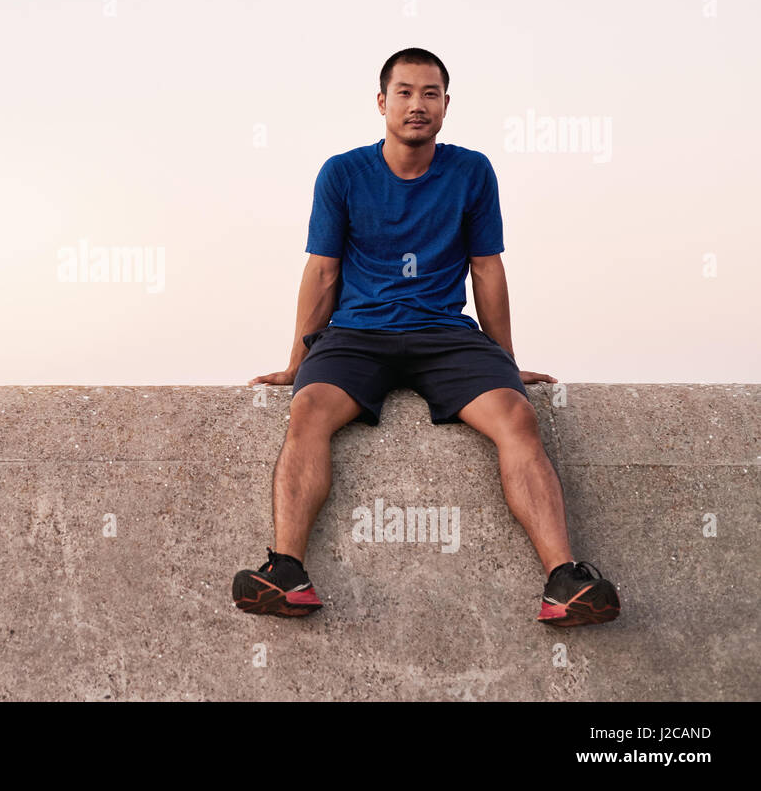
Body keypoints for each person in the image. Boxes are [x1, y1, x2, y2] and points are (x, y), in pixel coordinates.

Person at [234, 47, 619, 627]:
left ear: (446, 104)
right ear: (382, 101)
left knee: (517, 416)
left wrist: (505, 362)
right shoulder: (343, 173)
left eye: (431, 93)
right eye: (406, 92)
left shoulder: (471, 172)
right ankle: (287, 572)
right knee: (308, 407)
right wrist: (297, 361)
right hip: (359, 333)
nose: (418, 105)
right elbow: (323, 271)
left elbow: (487, 268)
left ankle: (564, 580)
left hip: (445, 335)